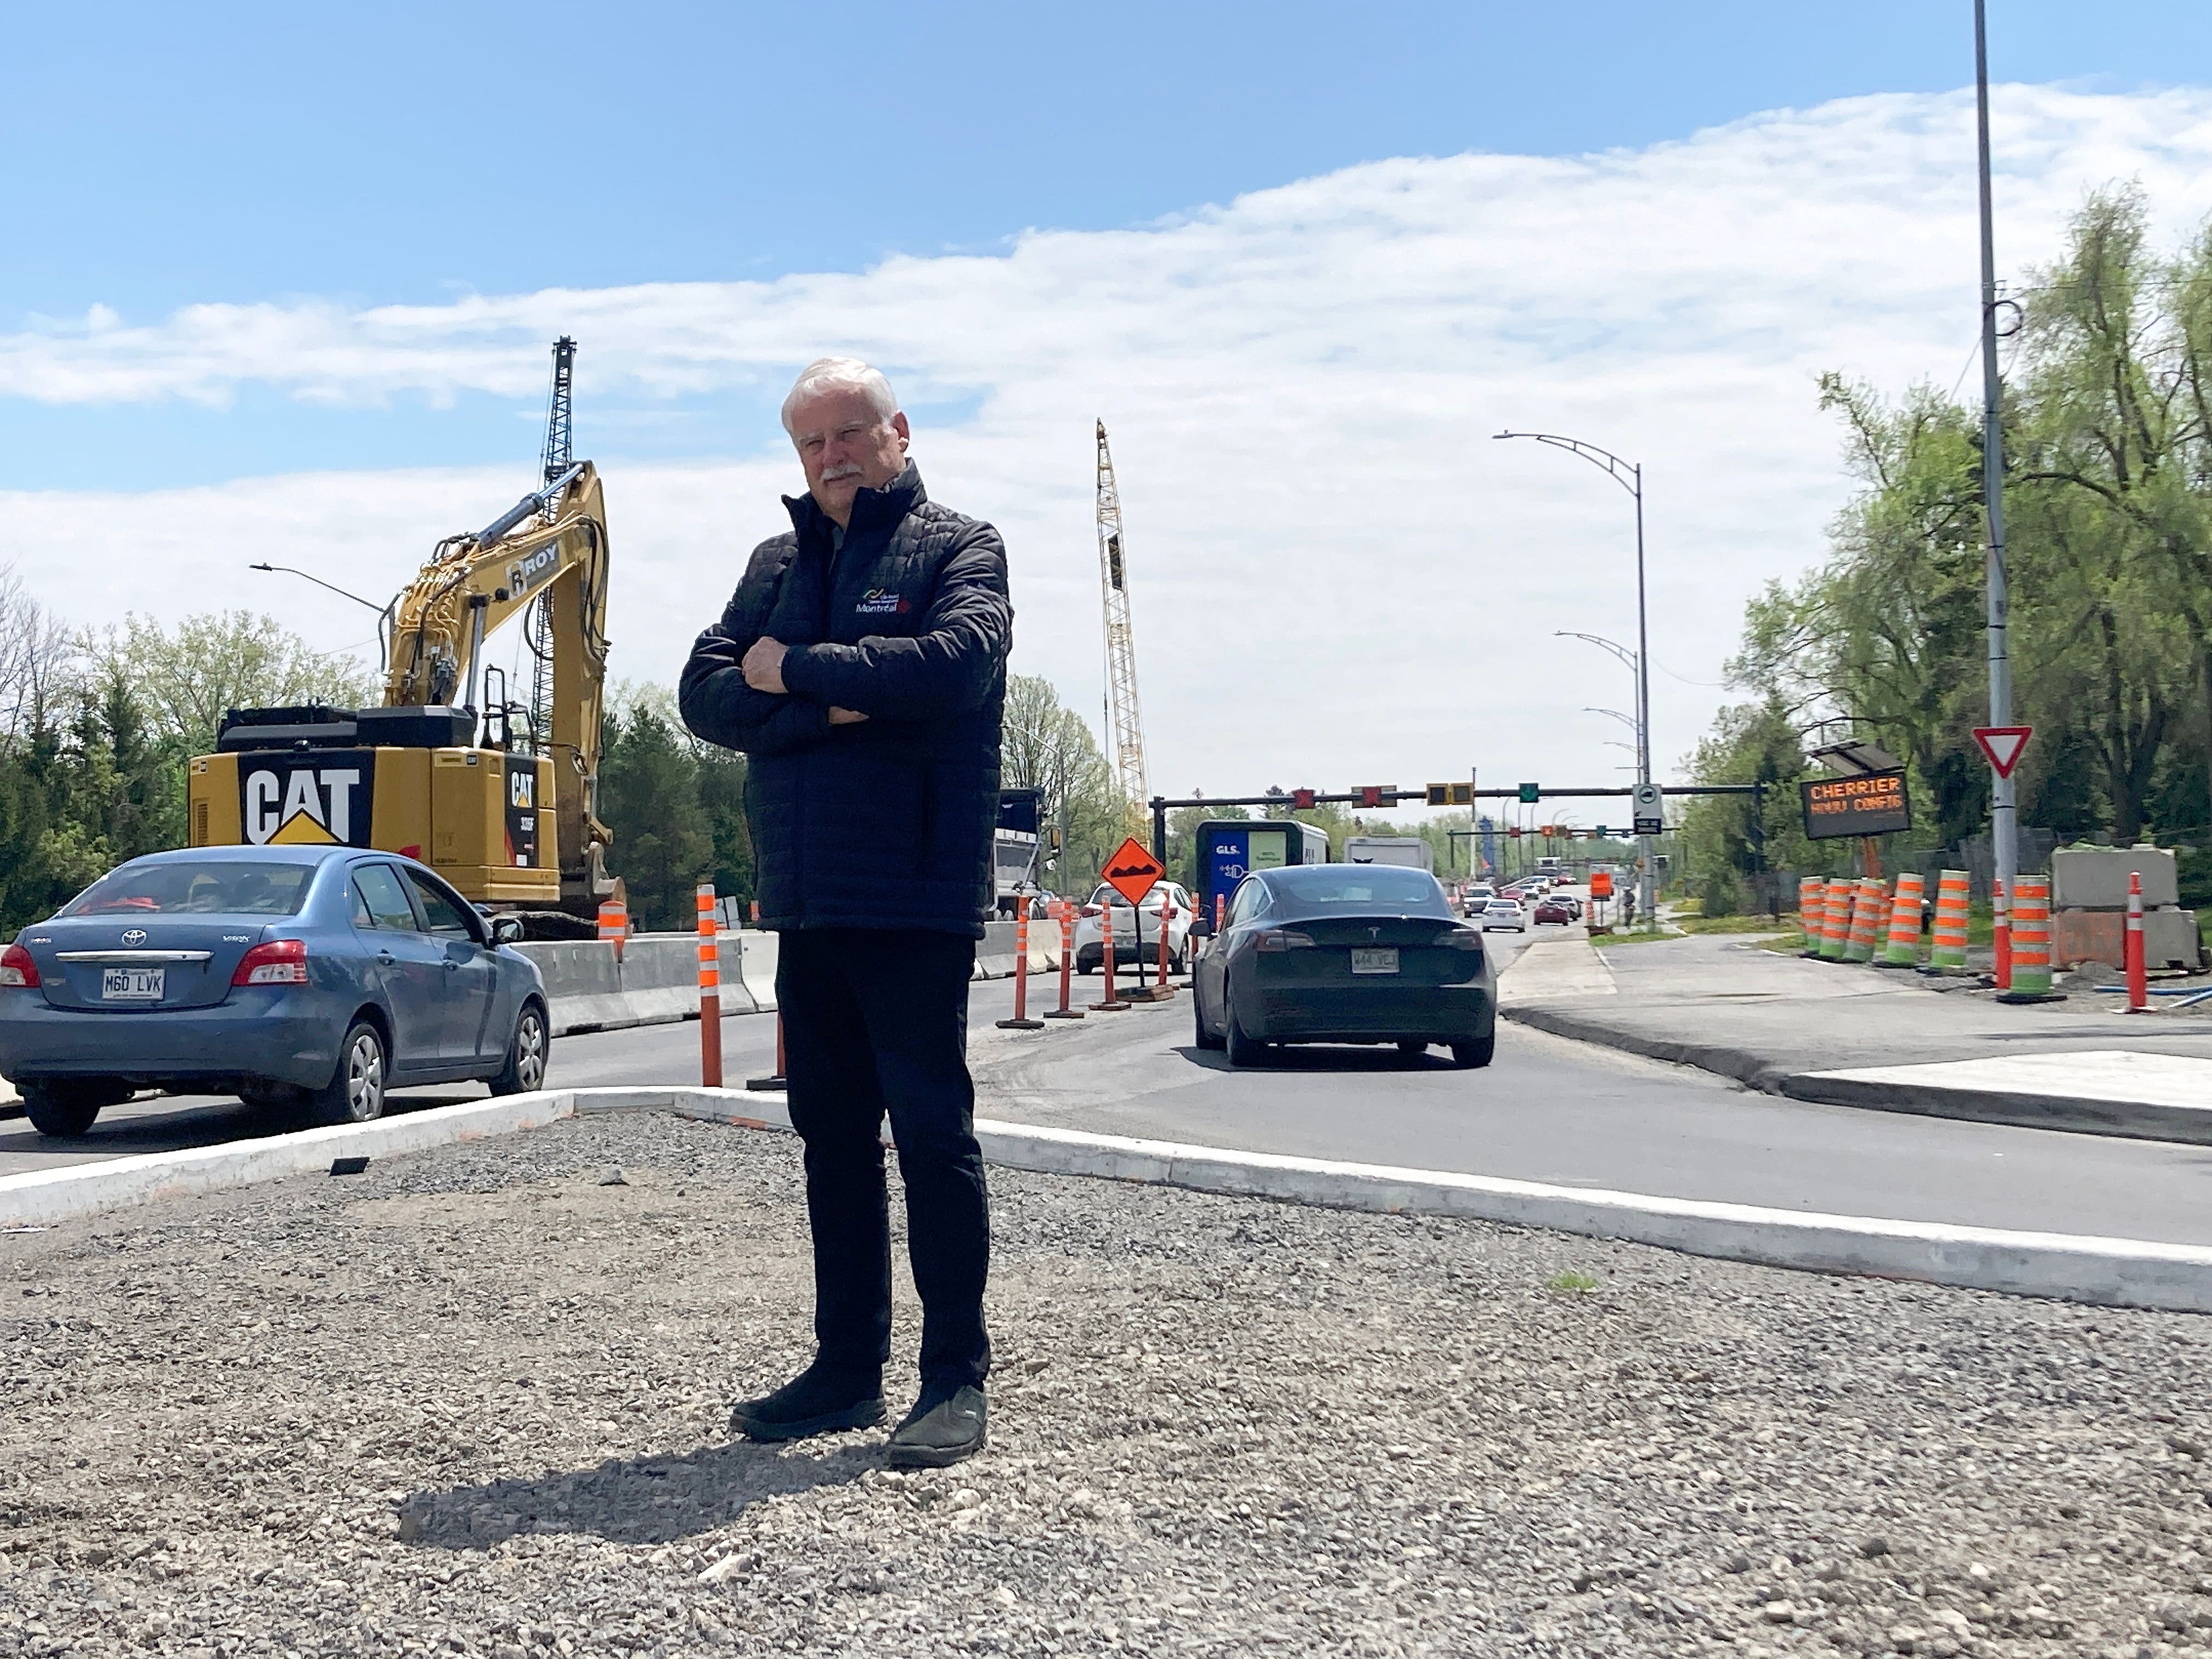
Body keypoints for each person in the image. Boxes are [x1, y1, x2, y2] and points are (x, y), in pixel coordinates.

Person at [679, 358, 1011, 1469]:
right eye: (812, 442)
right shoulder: (777, 563)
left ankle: (954, 1375)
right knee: (830, 1134)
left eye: (849, 433)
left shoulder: (962, 547)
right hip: (809, 898)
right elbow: (705, 694)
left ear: (898, 432)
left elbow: (953, 668)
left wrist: (796, 674)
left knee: (929, 1132)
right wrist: (838, 701)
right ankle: (845, 1368)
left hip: (913, 893)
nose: (832, 456)